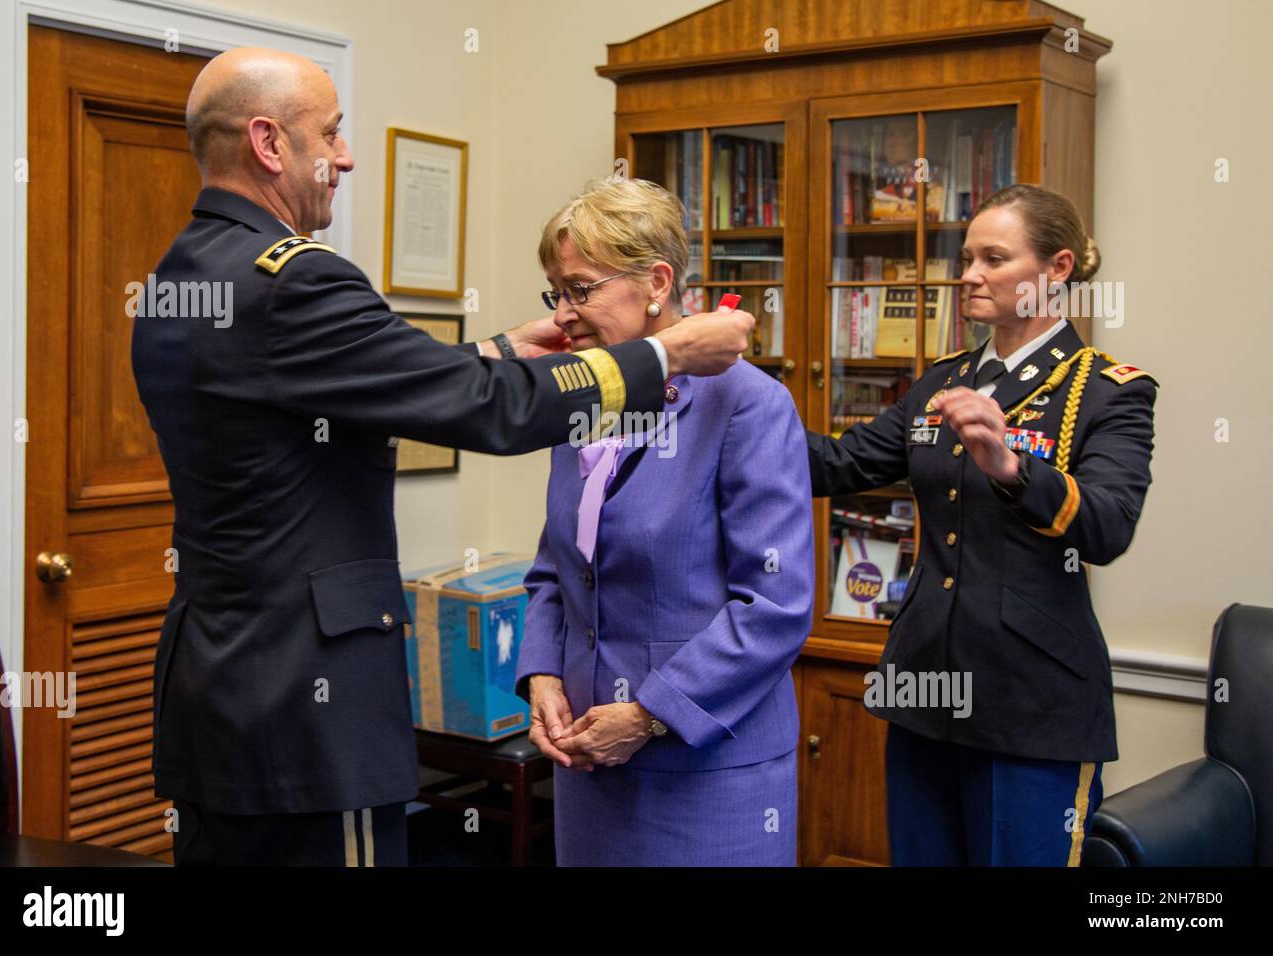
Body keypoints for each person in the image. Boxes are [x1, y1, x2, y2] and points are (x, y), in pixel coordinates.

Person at [130, 48, 756, 866]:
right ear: (268, 143)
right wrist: (665, 356)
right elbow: (490, 414)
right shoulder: (294, 282)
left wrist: (495, 348)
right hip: (307, 711)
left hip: (220, 692)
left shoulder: (181, 277)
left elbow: (348, 391)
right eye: (333, 133)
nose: (346, 155)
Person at [806, 184, 1157, 866]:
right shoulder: (942, 381)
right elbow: (838, 464)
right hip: (923, 690)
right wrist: (719, 395)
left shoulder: (1109, 389)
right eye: (967, 257)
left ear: (1056, 270)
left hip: (1032, 706)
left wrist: (1011, 465)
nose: (968, 274)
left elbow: (1110, 526)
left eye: (993, 258)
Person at [515, 179, 813, 866]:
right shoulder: (585, 398)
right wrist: (543, 676)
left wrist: (647, 715)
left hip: (703, 769)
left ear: (656, 282)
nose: (564, 314)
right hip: (592, 764)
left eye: (580, 289)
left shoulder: (747, 405)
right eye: (554, 292)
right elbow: (556, 569)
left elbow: (775, 603)